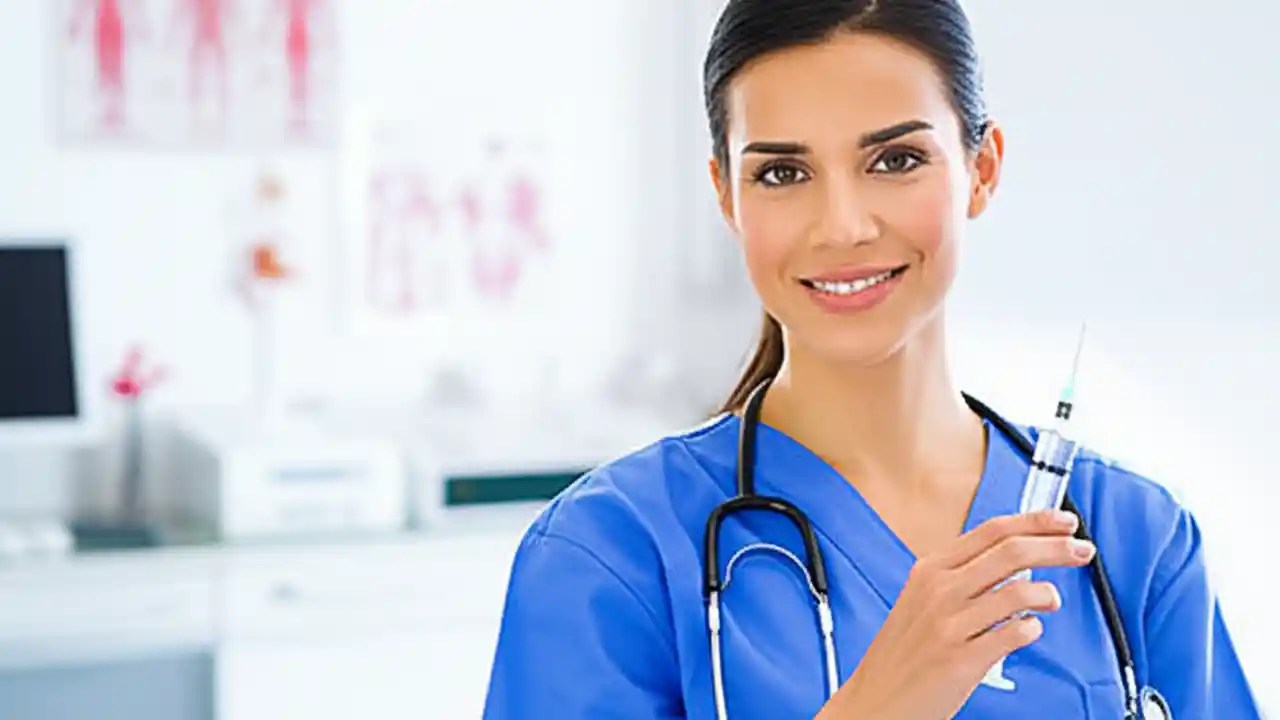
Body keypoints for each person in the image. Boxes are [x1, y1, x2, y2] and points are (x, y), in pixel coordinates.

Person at [481, 1, 1261, 718]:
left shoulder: (1133, 540)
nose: (844, 225)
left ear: (981, 168)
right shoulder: (612, 556)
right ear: (726, 195)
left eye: (895, 161)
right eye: (783, 173)